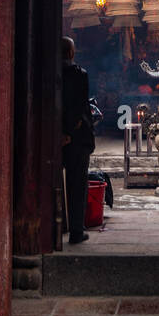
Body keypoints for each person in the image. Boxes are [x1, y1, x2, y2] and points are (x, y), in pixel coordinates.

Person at [61, 34, 95, 245]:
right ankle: (75, 230)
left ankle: (51, 229)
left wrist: (56, 132)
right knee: (76, 185)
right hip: (76, 137)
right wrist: (69, 132)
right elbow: (78, 108)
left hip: (51, 135)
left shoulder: (46, 73)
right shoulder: (78, 74)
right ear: (71, 53)